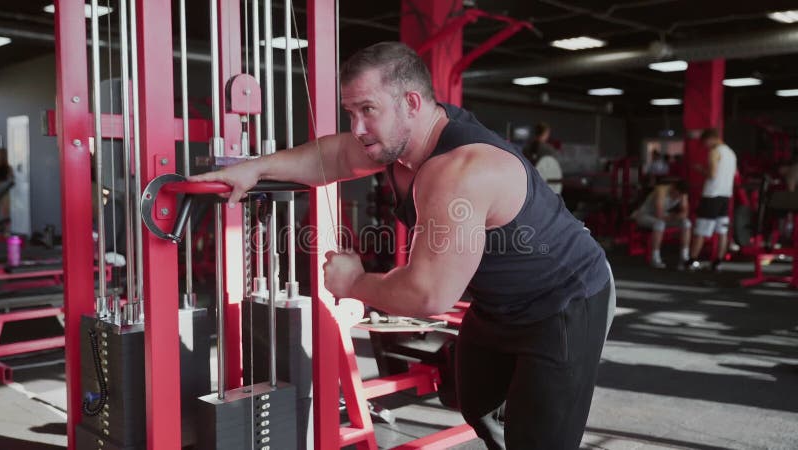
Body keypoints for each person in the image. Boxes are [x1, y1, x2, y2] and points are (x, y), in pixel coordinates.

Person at [191, 41, 615, 450]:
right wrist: (256, 169)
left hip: (564, 301)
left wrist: (355, 281)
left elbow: (428, 294)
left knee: (540, 439)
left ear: (411, 102)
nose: (357, 127)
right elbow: (334, 157)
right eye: (351, 112)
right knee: (478, 403)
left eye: (367, 110)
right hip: (499, 304)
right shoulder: (398, 144)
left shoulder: (460, 172)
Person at [685, 128, 737, 271]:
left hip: (711, 195)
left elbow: (712, 174)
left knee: (701, 230)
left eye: (705, 143)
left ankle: (692, 261)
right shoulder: (731, 153)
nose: (705, 146)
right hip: (725, 195)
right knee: (722, 230)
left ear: (711, 139)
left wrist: (699, 168)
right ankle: (718, 262)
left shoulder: (714, 151)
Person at [630, 179, 691, 269]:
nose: (677, 197)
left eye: (679, 195)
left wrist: (676, 216)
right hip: (645, 215)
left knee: (687, 223)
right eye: (676, 194)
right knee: (660, 224)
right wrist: (676, 216)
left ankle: (684, 258)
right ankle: (655, 257)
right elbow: (659, 213)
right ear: (673, 187)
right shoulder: (661, 190)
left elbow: (685, 213)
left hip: (664, 216)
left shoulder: (683, 194)